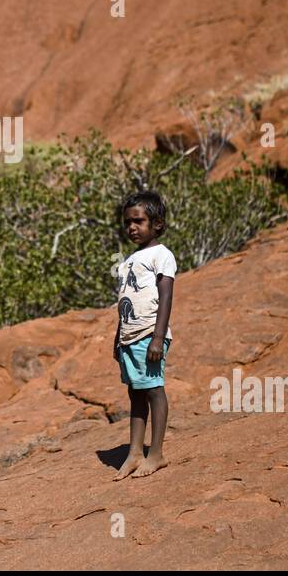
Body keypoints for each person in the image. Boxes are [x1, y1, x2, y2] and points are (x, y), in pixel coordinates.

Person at [111, 190, 176, 480]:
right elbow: (125, 302)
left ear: (157, 224)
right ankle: (135, 452)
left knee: (153, 388)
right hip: (129, 336)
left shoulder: (161, 255)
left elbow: (166, 296)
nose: (132, 228)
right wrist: (118, 339)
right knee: (135, 392)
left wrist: (158, 337)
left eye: (138, 221)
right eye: (127, 223)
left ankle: (157, 453)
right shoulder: (127, 261)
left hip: (149, 334)